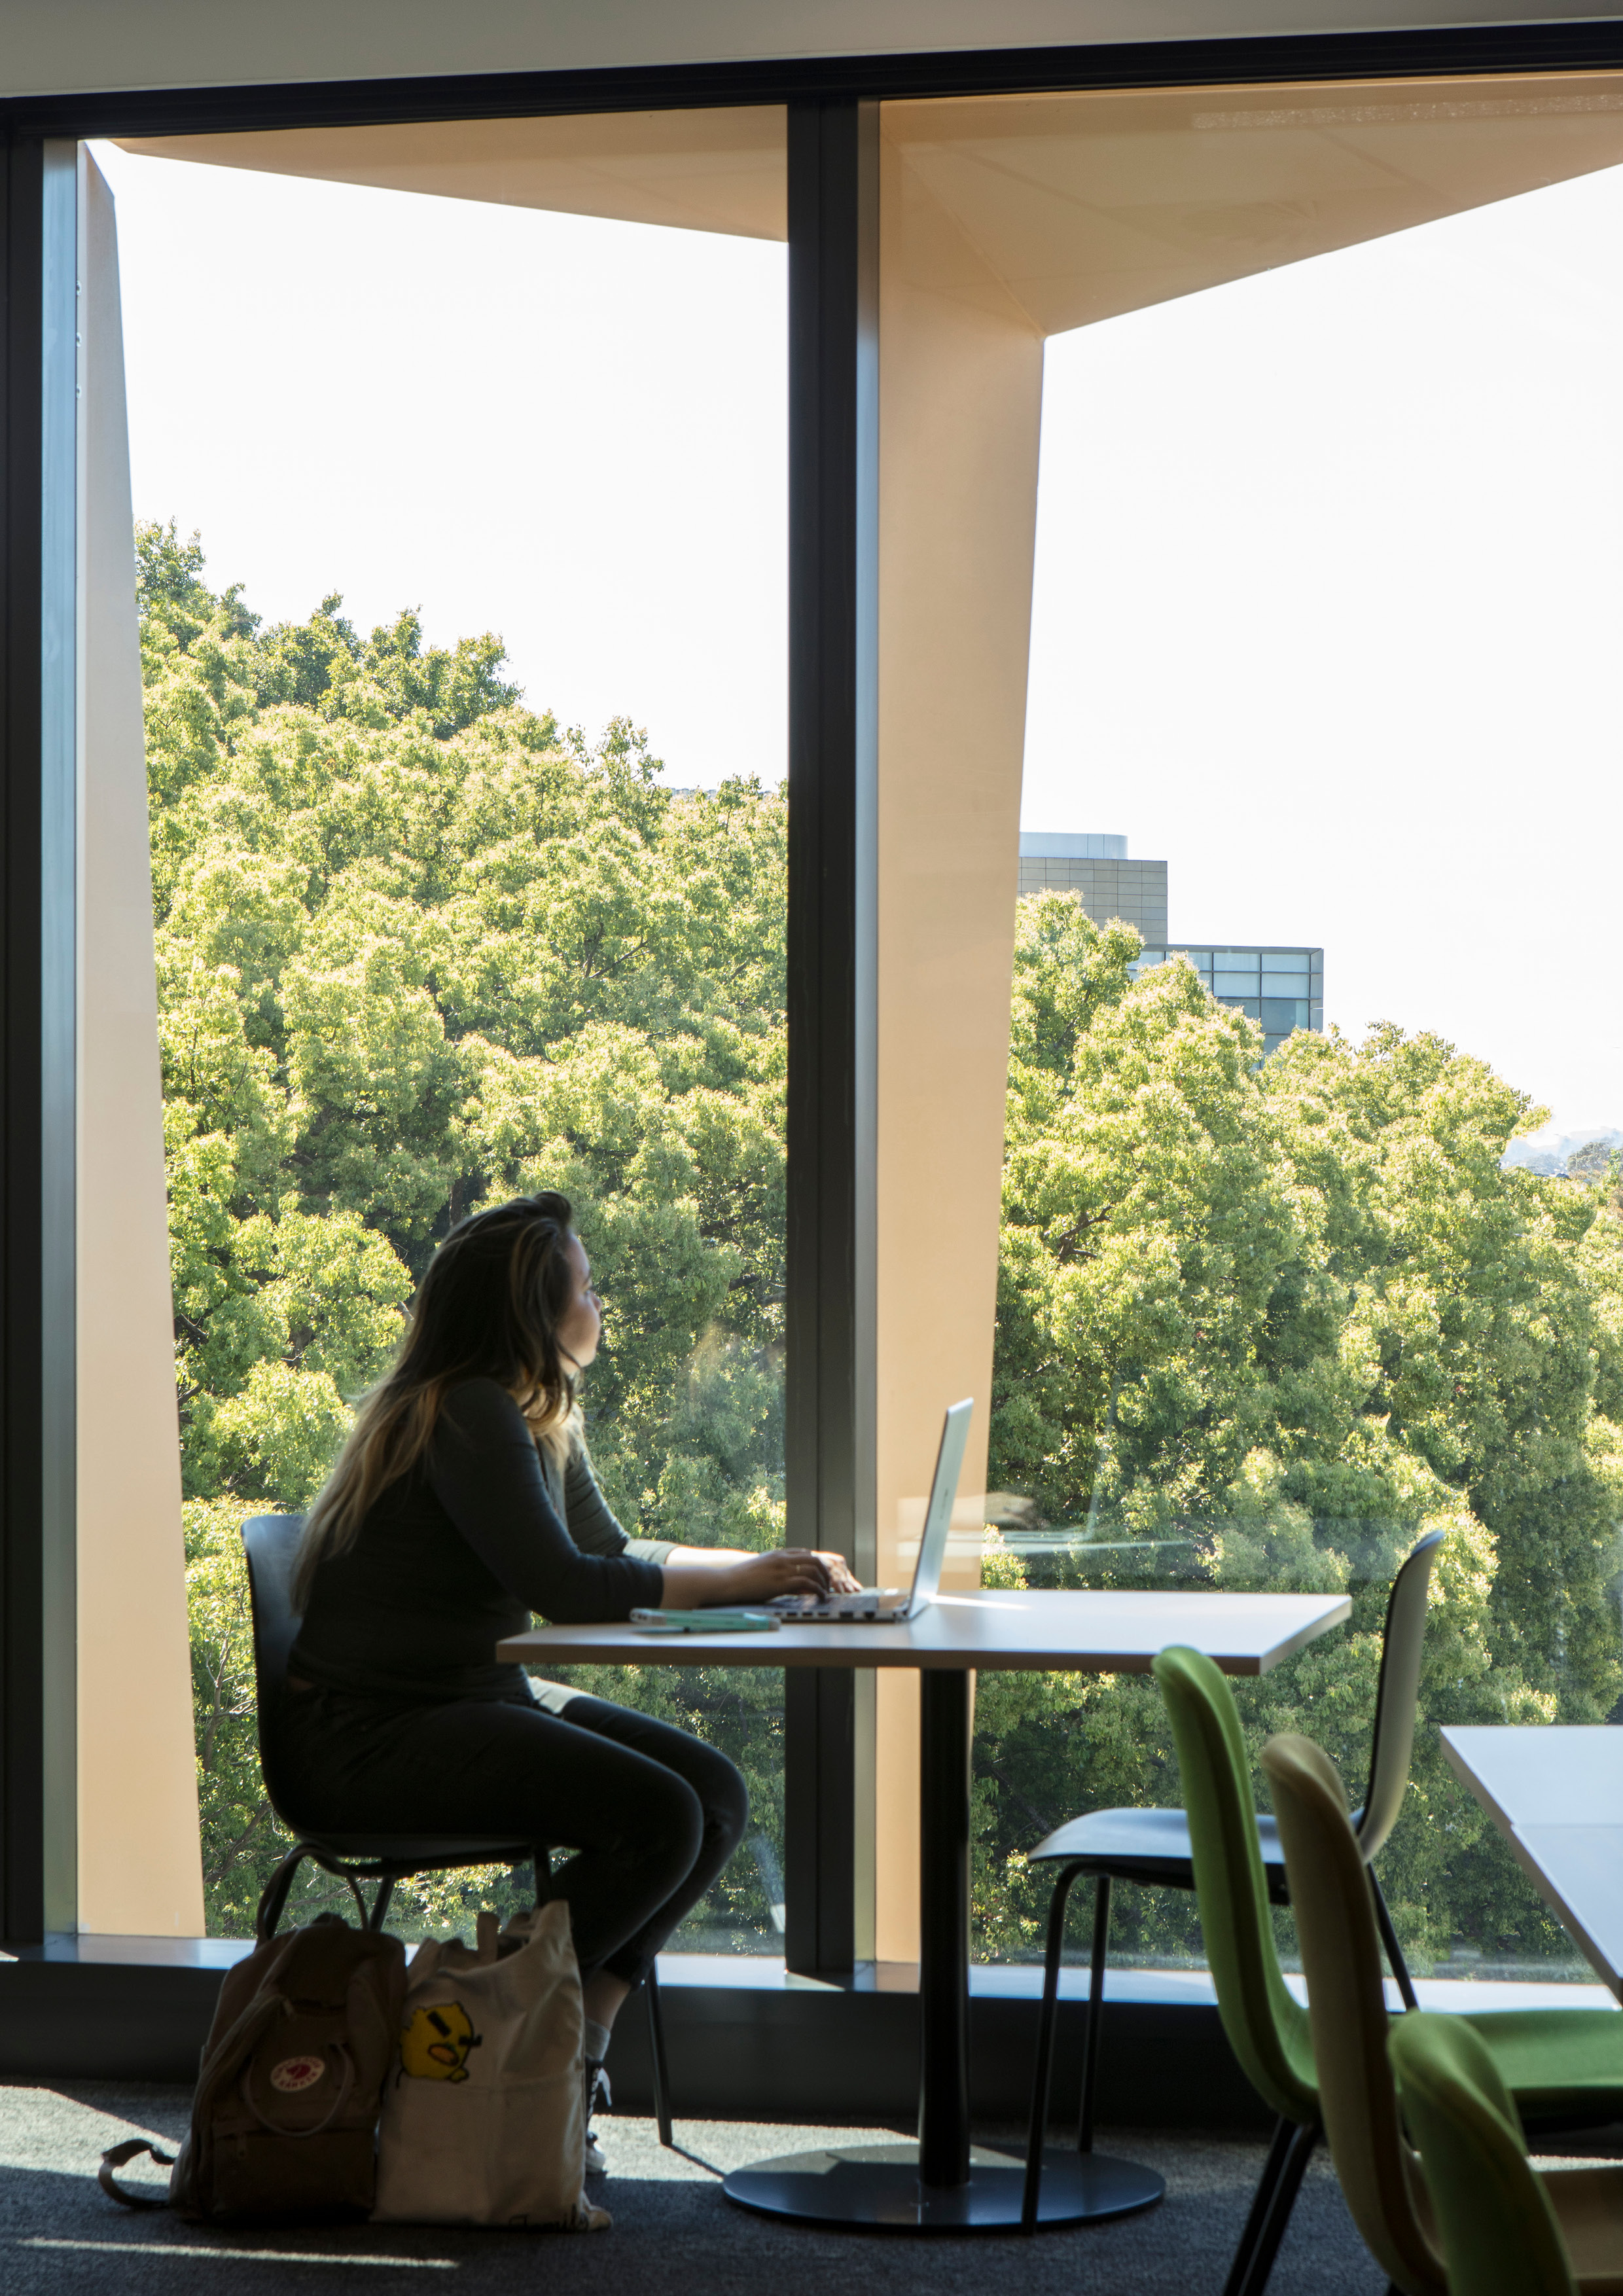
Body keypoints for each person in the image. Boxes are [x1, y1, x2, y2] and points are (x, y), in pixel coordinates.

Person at [279, 1190, 857, 2172]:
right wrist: (753, 1582)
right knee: (662, 1817)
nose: (601, 1305)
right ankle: (490, 2039)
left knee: (712, 1795)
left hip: (462, 1698)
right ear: (535, 1316)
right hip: (371, 1736)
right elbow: (564, 1589)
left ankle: (571, 2044)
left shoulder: (525, 1409)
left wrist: (777, 1565)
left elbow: (610, 1547)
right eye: (588, 1288)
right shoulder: (467, 1413)